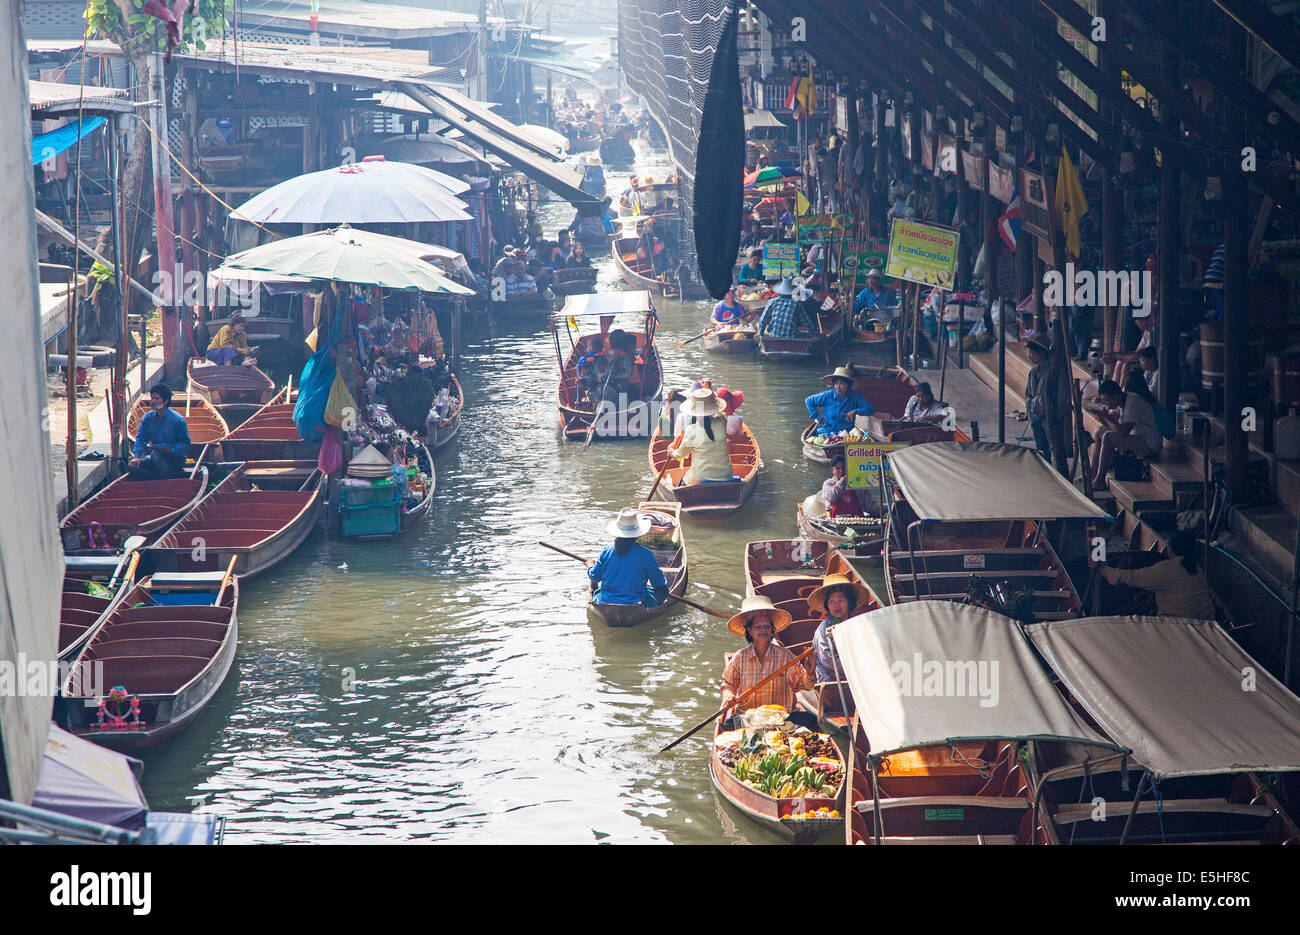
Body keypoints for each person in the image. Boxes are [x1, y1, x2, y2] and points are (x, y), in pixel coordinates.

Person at [720, 595, 816, 730]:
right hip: (750, 718)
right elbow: (728, 685)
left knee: (810, 719)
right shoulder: (740, 657)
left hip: (781, 718)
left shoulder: (785, 656)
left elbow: (803, 685)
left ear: (772, 630)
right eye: (758, 627)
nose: (763, 630)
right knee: (728, 725)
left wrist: (810, 672)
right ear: (749, 631)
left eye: (767, 626)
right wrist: (729, 696)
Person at [1099, 531, 1215, 619]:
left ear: (1170, 550)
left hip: (1178, 623)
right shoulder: (1196, 567)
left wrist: (1102, 569)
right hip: (1206, 619)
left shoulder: (1167, 568)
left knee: (1123, 615)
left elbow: (1131, 577)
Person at [1089, 376, 1163, 490]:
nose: (1107, 404)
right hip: (1136, 438)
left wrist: (1106, 418)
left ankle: (1100, 480)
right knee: (1099, 431)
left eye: (1108, 400)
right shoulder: (1122, 401)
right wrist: (1103, 417)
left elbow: (1123, 431)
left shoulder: (1132, 402)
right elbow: (1116, 426)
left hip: (1148, 444)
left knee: (1108, 437)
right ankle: (1092, 474)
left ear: (1117, 395)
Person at [586, 507, 670, 607]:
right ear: (637, 535)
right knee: (663, 591)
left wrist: (590, 566)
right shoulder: (646, 554)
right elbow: (658, 583)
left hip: (606, 601)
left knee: (595, 586)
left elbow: (595, 576)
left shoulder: (607, 550)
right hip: (636, 603)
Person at [808, 572, 872, 684]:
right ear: (827, 605)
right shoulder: (823, 630)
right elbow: (831, 664)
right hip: (832, 684)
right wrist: (861, 669)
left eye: (841, 600)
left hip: (857, 676)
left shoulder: (855, 623)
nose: (836, 605)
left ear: (849, 602)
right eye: (831, 601)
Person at [667, 388, 733, 485]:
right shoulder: (722, 420)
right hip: (726, 475)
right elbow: (719, 414)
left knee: (682, 481)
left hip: (699, 478)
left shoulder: (691, 431)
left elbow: (681, 455)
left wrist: (672, 452)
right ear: (712, 408)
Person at [127, 383, 191, 481]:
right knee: (132, 467)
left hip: (174, 459)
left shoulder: (177, 420)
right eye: (152, 398)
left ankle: (166, 483)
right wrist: (136, 456)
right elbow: (141, 438)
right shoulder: (148, 418)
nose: (152, 401)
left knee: (155, 455)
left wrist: (171, 450)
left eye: (156, 399)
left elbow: (185, 444)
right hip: (155, 458)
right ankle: (158, 479)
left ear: (165, 402)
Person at [805, 365, 874, 436]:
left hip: (847, 432)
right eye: (836, 383)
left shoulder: (855, 396)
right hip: (828, 430)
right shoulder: (827, 395)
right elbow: (808, 401)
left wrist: (855, 411)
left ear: (848, 385)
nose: (838, 387)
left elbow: (870, 409)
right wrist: (818, 417)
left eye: (841, 383)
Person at [577, 336, 608, 403]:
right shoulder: (606, 357)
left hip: (595, 387)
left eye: (587, 346)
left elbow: (581, 367)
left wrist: (580, 380)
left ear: (590, 348)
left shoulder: (588, 359)